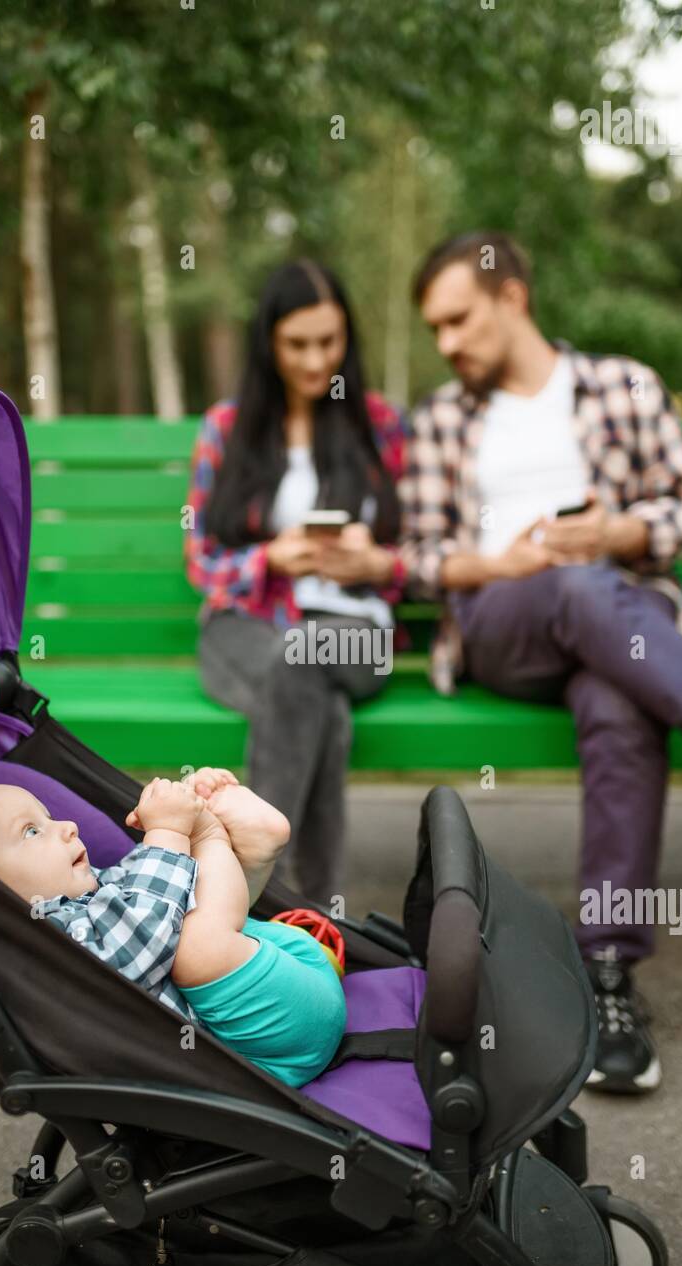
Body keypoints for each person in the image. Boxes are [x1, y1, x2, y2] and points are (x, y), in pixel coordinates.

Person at [399, 229, 682, 1095]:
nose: (447, 343)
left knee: (616, 701)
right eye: (435, 330)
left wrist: (619, 532)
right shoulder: (441, 418)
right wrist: (506, 562)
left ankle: (608, 973)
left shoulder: (620, 384)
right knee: (571, 586)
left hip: (620, 631)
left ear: (511, 297)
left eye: (458, 320)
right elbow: (414, 556)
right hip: (502, 626)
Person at [184, 259, 407, 906]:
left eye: (329, 342)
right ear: (269, 344)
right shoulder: (226, 428)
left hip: (355, 630)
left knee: (300, 659)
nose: (316, 360)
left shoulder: (380, 426)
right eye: (297, 344)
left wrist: (372, 557)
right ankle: (317, 912)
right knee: (316, 704)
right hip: (244, 626)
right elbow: (202, 560)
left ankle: (250, 903)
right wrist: (271, 560)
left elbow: (414, 552)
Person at [0, 769, 347, 1088]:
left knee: (188, 911)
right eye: (33, 831)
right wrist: (169, 831)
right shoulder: (46, 941)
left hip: (275, 992)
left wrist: (185, 816)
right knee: (193, 944)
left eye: (49, 817)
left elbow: (161, 896)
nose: (67, 826)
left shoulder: (93, 892)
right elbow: (134, 948)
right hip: (269, 1039)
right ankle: (220, 843)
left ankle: (237, 854)